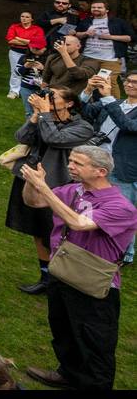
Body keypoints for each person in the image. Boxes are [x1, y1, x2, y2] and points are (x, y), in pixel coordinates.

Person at [21, 145, 137, 390]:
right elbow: (33, 201)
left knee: (95, 343)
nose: (70, 166)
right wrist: (33, 183)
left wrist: (44, 188)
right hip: (62, 272)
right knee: (62, 329)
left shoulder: (121, 207)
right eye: (71, 161)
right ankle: (68, 374)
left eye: (78, 163)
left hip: (93, 284)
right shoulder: (73, 190)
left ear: (100, 171)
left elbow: (78, 223)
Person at [8, 87, 101, 295]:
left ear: (69, 103)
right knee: (38, 231)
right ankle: (46, 277)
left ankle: (63, 279)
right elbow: (22, 137)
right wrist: (34, 116)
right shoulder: (44, 117)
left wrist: (44, 114)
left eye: (54, 97)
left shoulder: (83, 127)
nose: (47, 99)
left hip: (57, 185)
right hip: (31, 178)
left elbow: (54, 139)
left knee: (55, 233)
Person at [80, 71, 137, 264]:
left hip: (122, 169)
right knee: (94, 203)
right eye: (128, 81)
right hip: (97, 163)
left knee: (123, 212)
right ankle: (91, 242)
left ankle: (124, 254)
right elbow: (84, 112)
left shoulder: (112, 102)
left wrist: (108, 98)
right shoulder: (116, 103)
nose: (130, 85)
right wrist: (88, 89)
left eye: (135, 83)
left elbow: (127, 125)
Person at [76, 0, 133, 98]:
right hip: (88, 57)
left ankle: (116, 107)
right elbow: (76, 34)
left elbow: (130, 37)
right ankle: (83, 104)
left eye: (99, 7)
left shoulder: (118, 22)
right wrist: (86, 33)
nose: (96, 9)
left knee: (109, 83)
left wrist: (109, 37)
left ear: (106, 10)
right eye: (93, 7)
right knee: (85, 81)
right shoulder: (86, 21)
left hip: (110, 59)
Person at [5, 11, 46, 99]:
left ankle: (29, 90)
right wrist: (29, 41)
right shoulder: (14, 27)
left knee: (33, 71)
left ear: (32, 19)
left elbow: (39, 42)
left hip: (32, 53)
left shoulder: (37, 29)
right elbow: (10, 40)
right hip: (15, 52)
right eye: (22, 16)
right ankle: (14, 91)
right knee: (15, 71)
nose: (24, 18)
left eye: (27, 17)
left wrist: (18, 38)